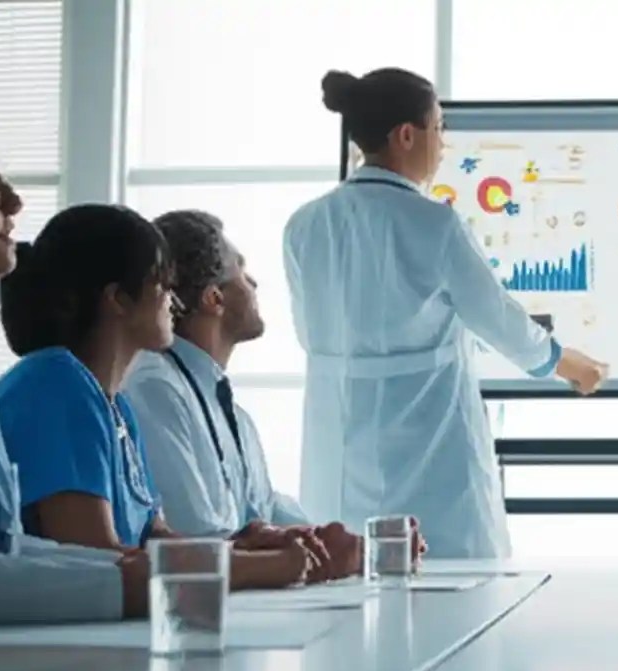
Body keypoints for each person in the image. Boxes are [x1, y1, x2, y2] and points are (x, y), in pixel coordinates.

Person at [283, 67, 608, 558]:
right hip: (429, 450)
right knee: (452, 591)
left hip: (339, 448)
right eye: (439, 128)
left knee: (343, 592)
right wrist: (572, 365)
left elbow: (311, 332)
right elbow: (499, 319)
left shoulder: (304, 224)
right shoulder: (434, 222)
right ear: (406, 135)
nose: (443, 144)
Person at [0, 203, 320, 591]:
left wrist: (243, 548)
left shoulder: (117, 406)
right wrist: (259, 568)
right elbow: (99, 563)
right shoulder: (55, 384)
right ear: (117, 299)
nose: (173, 301)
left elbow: (158, 541)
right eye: (162, 283)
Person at [125, 209, 412, 577]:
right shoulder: (155, 388)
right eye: (241, 272)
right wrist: (297, 553)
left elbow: (263, 510)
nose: (254, 282)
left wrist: (364, 548)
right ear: (214, 299)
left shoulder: (225, 406)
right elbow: (193, 532)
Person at [0, 110, 147, 624]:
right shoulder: (53, 383)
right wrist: (131, 580)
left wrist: (137, 570)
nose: (15, 202)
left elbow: (2, 549)